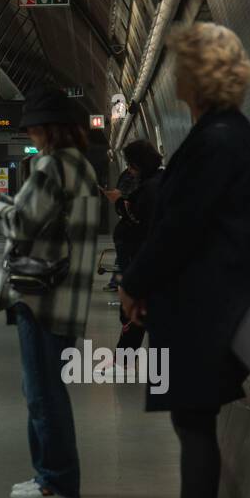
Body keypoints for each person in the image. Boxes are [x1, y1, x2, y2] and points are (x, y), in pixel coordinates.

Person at [119, 23, 250, 498]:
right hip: (207, 301)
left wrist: (136, 281)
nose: (173, 75)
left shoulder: (217, 141)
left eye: (180, 65)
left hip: (206, 305)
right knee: (193, 422)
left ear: (198, 74)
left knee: (193, 423)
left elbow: (181, 227)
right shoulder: (227, 134)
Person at [0, 86, 100, 498]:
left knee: (42, 390)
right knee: (47, 387)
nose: (30, 136)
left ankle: (55, 478)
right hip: (68, 294)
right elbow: (47, 221)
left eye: (32, 130)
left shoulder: (50, 167)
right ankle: (54, 474)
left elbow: (21, 226)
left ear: (46, 130)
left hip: (41, 295)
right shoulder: (82, 166)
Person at [100, 140, 162, 350]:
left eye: (131, 165)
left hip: (140, 253)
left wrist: (118, 202)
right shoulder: (160, 182)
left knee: (134, 306)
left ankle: (125, 357)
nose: (129, 170)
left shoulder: (150, 189)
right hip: (145, 255)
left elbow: (137, 217)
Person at [103, 158, 138, 291]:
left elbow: (121, 194)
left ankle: (117, 282)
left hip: (130, 227)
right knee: (125, 255)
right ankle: (117, 282)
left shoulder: (130, 177)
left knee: (124, 255)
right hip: (131, 228)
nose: (128, 168)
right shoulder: (133, 176)